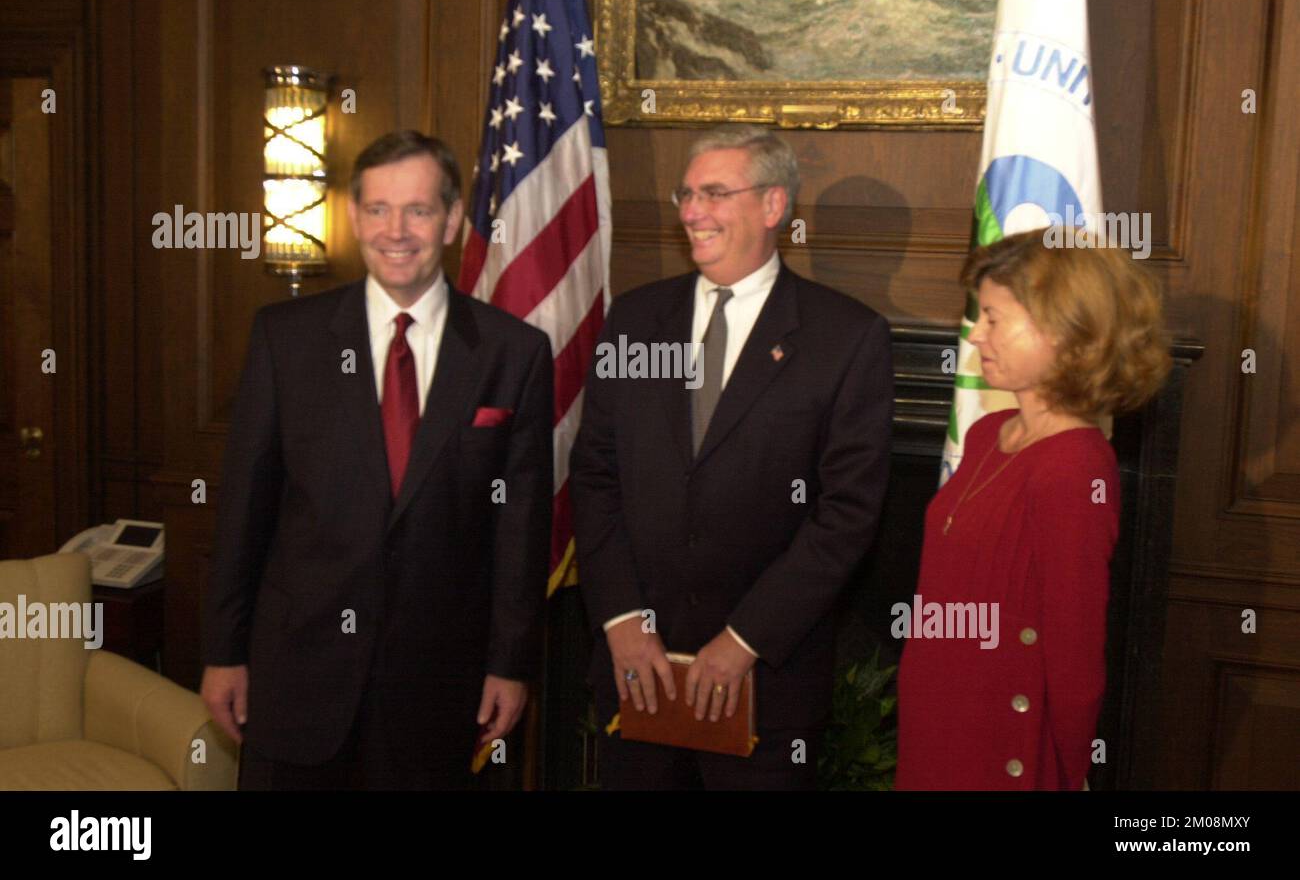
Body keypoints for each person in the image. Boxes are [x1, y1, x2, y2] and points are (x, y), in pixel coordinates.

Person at [200, 130, 553, 790]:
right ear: (355, 217)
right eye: (378, 209)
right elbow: (244, 513)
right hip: (297, 678)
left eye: (418, 209)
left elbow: (520, 530)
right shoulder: (285, 340)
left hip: (439, 689)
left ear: (450, 221)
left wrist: (510, 663)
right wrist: (224, 652)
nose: (397, 230)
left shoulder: (515, 353)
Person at [570, 125, 893, 789]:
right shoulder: (633, 320)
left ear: (773, 207)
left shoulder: (846, 338)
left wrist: (744, 639)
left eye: (714, 193)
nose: (690, 212)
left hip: (766, 691)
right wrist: (624, 620)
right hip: (639, 677)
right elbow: (595, 476)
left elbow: (846, 515)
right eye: (685, 193)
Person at [895, 227, 1170, 790]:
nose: (975, 335)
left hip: (1001, 743)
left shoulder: (1075, 467)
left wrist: (1071, 771)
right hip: (941, 717)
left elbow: (1074, 653)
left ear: (1066, 334)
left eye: (994, 318)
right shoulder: (989, 432)